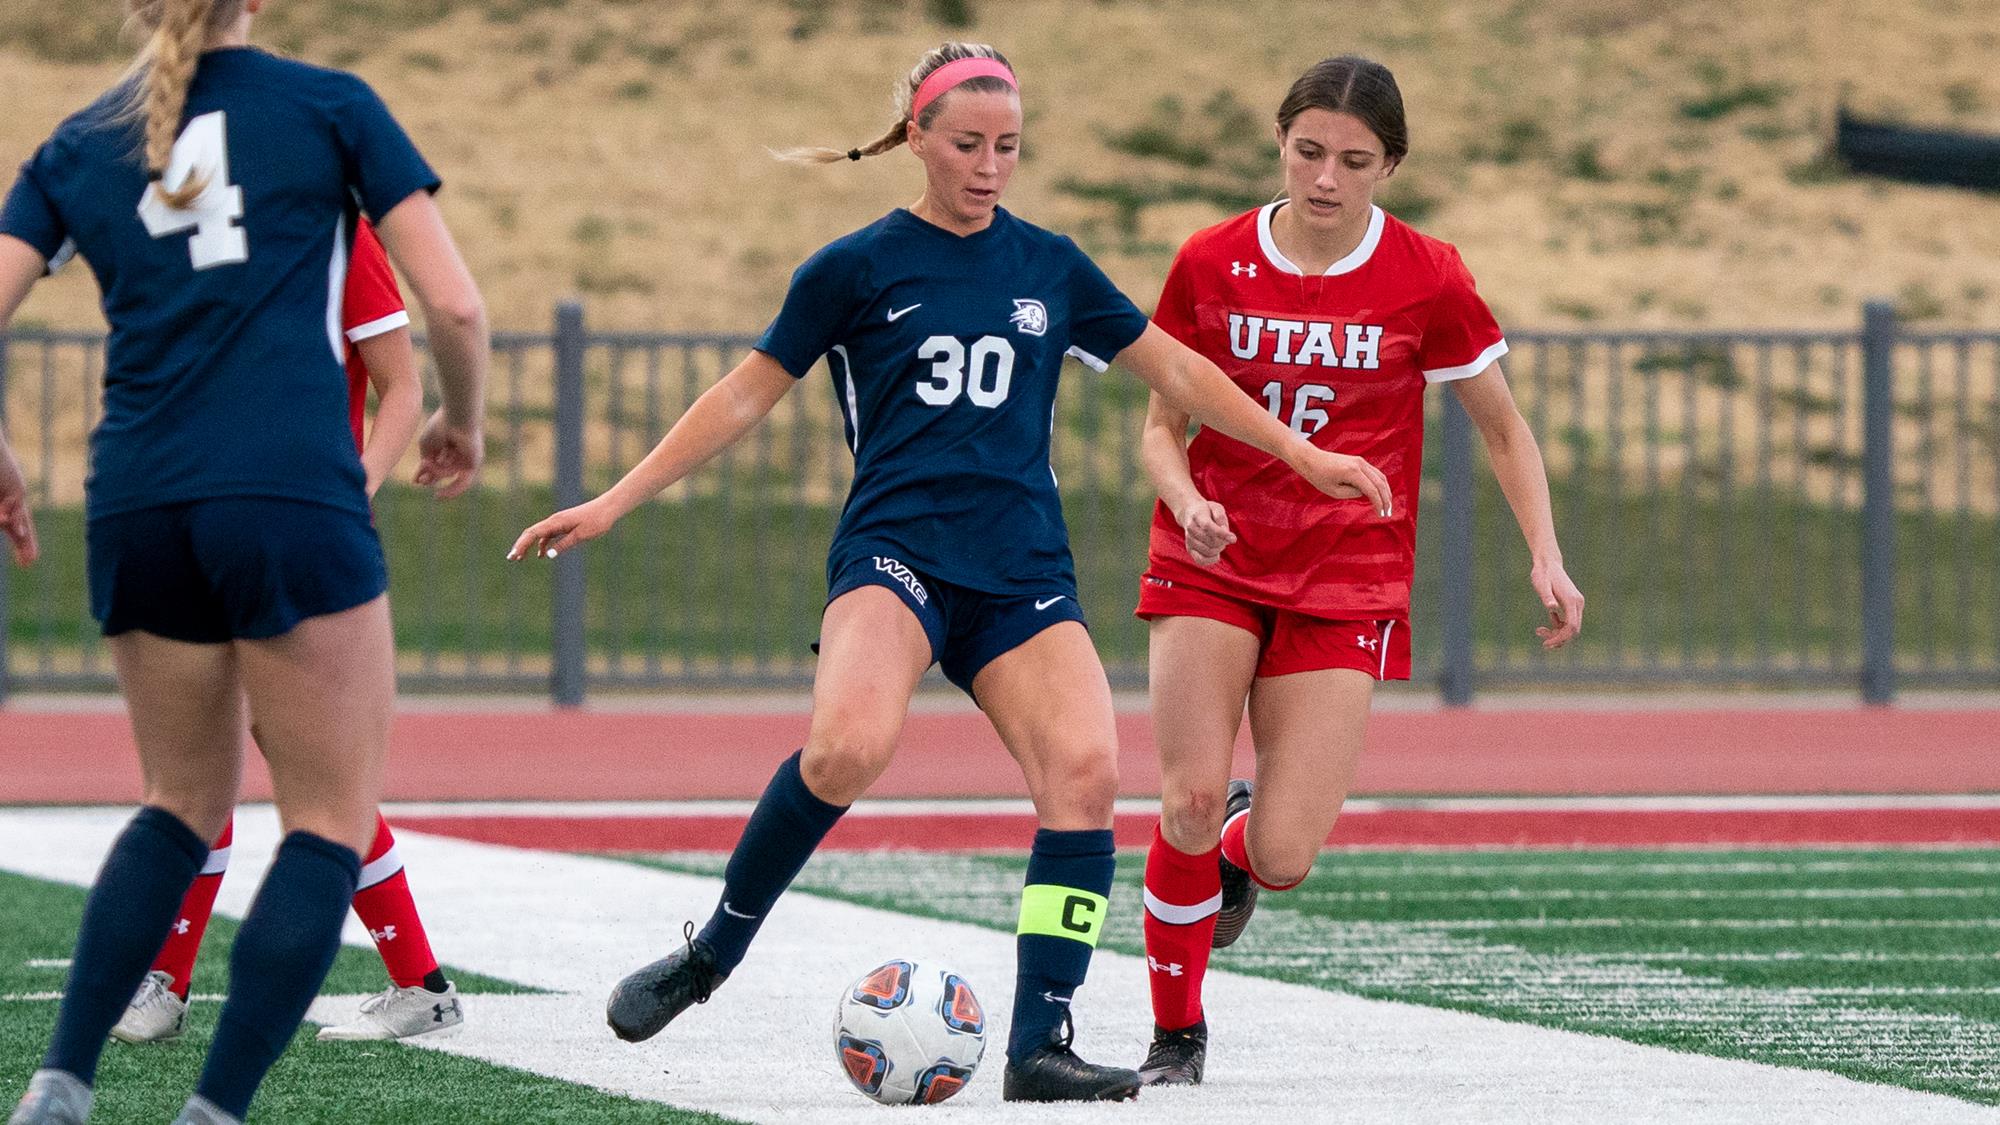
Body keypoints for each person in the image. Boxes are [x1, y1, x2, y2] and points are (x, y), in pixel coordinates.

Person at [508, 41, 1389, 1105]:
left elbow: (1180, 370)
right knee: (845, 749)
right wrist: (613, 498)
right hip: (896, 552)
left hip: (1019, 568)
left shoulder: (1048, 265)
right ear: (915, 139)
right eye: (966, 144)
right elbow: (743, 394)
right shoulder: (855, 268)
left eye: (1007, 147)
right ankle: (709, 957)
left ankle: (1037, 1044)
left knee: (1085, 778)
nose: (987, 166)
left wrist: (1296, 454)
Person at [0, 0, 487, 1121]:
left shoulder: (81, 141)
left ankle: (59, 1084)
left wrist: (4, 463)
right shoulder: (328, 107)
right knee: (326, 815)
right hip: (283, 490)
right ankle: (213, 1113)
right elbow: (453, 303)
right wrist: (461, 418)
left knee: (175, 803)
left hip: (135, 499)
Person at [1129, 55, 1586, 1086]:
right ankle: (1175, 1034)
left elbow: (1503, 432)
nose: (1325, 178)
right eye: (1306, 152)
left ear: (1389, 167)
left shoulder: (1425, 275)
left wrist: (1545, 558)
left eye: (1353, 160)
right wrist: (1187, 499)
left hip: (1346, 575)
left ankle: (1238, 846)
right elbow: (1159, 430)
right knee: (1185, 800)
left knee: (1281, 858)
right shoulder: (1208, 260)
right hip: (1213, 560)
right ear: (1278, 144)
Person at [111, 218, 464, 1048]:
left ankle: (173, 981)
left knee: (302, 761)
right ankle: (417, 982)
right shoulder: (198, 227)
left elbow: (402, 389)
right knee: (209, 750)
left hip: (298, 533)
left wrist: (352, 490)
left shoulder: (342, 233)